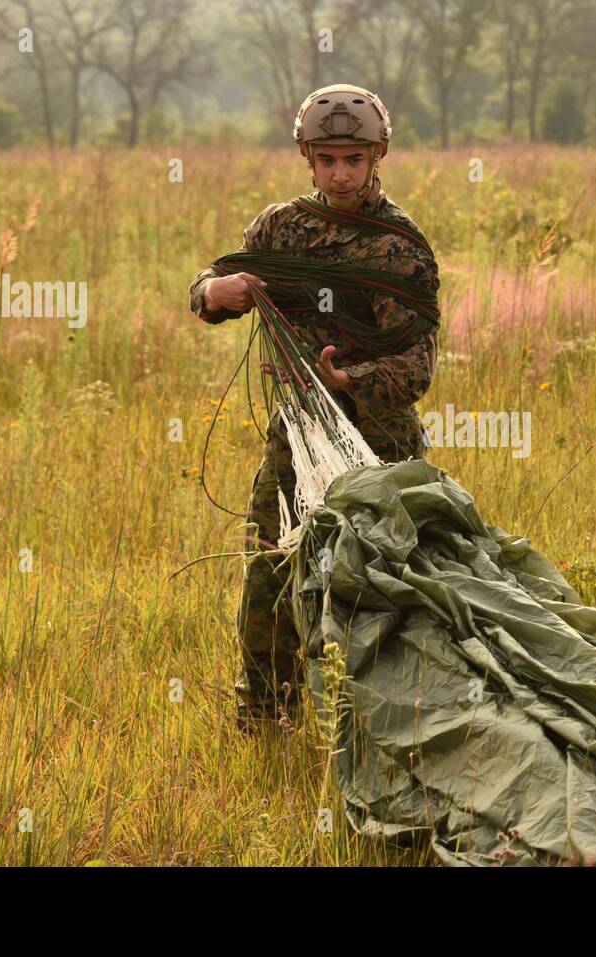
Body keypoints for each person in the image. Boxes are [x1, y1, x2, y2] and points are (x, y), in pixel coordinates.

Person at [188, 84, 440, 731]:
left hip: (377, 446)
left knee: (386, 583)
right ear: (307, 156)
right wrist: (220, 290)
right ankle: (268, 716)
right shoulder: (280, 228)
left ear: (378, 155)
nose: (340, 173)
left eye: (353, 159)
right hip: (295, 437)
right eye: (327, 159)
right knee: (271, 567)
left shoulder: (398, 246)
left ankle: (394, 721)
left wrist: (351, 378)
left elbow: (417, 366)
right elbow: (209, 290)